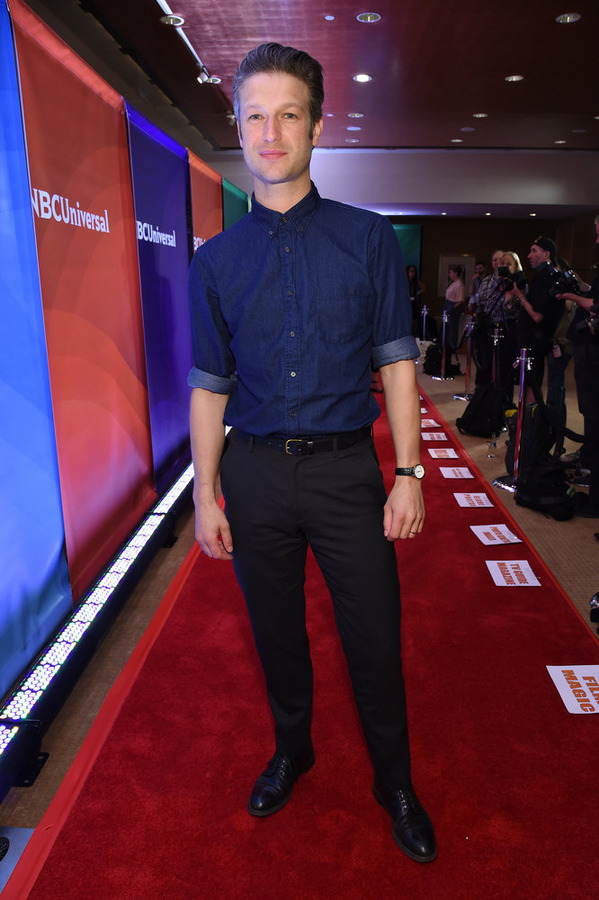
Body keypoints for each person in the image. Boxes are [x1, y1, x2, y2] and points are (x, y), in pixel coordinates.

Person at [187, 43, 436, 862]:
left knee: (375, 639)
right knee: (276, 635)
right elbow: (210, 386)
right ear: (238, 127)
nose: (270, 132)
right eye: (255, 116)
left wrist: (407, 473)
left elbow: (396, 364)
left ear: (316, 126)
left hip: (344, 474)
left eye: (287, 114)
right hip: (255, 474)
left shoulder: (367, 239)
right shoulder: (215, 262)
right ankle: (292, 751)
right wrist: (204, 493)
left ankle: (394, 783)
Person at [559, 215, 599, 517]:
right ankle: (590, 466)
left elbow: (596, 306)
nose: (596, 240)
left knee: (594, 417)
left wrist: (573, 295)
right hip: (588, 355)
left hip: (593, 357)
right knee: (590, 415)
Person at [510, 236, 564, 400]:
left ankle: (530, 415)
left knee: (531, 384)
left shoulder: (545, 277)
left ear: (546, 254)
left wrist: (520, 296)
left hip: (535, 341)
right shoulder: (546, 275)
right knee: (528, 383)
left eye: (534, 251)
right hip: (532, 339)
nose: (529, 256)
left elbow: (537, 315)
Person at [443, 264, 465, 365]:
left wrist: (452, 308)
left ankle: (452, 346)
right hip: (448, 305)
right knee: (447, 328)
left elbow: (460, 300)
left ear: (456, 273)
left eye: (451, 272)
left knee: (453, 328)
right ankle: (447, 345)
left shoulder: (459, 284)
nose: (450, 274)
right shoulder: (453, 283)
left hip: (454, 308)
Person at [406, 264, 426, 336]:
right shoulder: (404, 280)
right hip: (406, 302)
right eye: (411, 271)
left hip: (413, 302)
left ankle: (413, 333)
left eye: (414, 271)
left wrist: (417, 293)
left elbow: (424, 287)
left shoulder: (415, 281)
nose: (412, 273)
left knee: (414, 318)